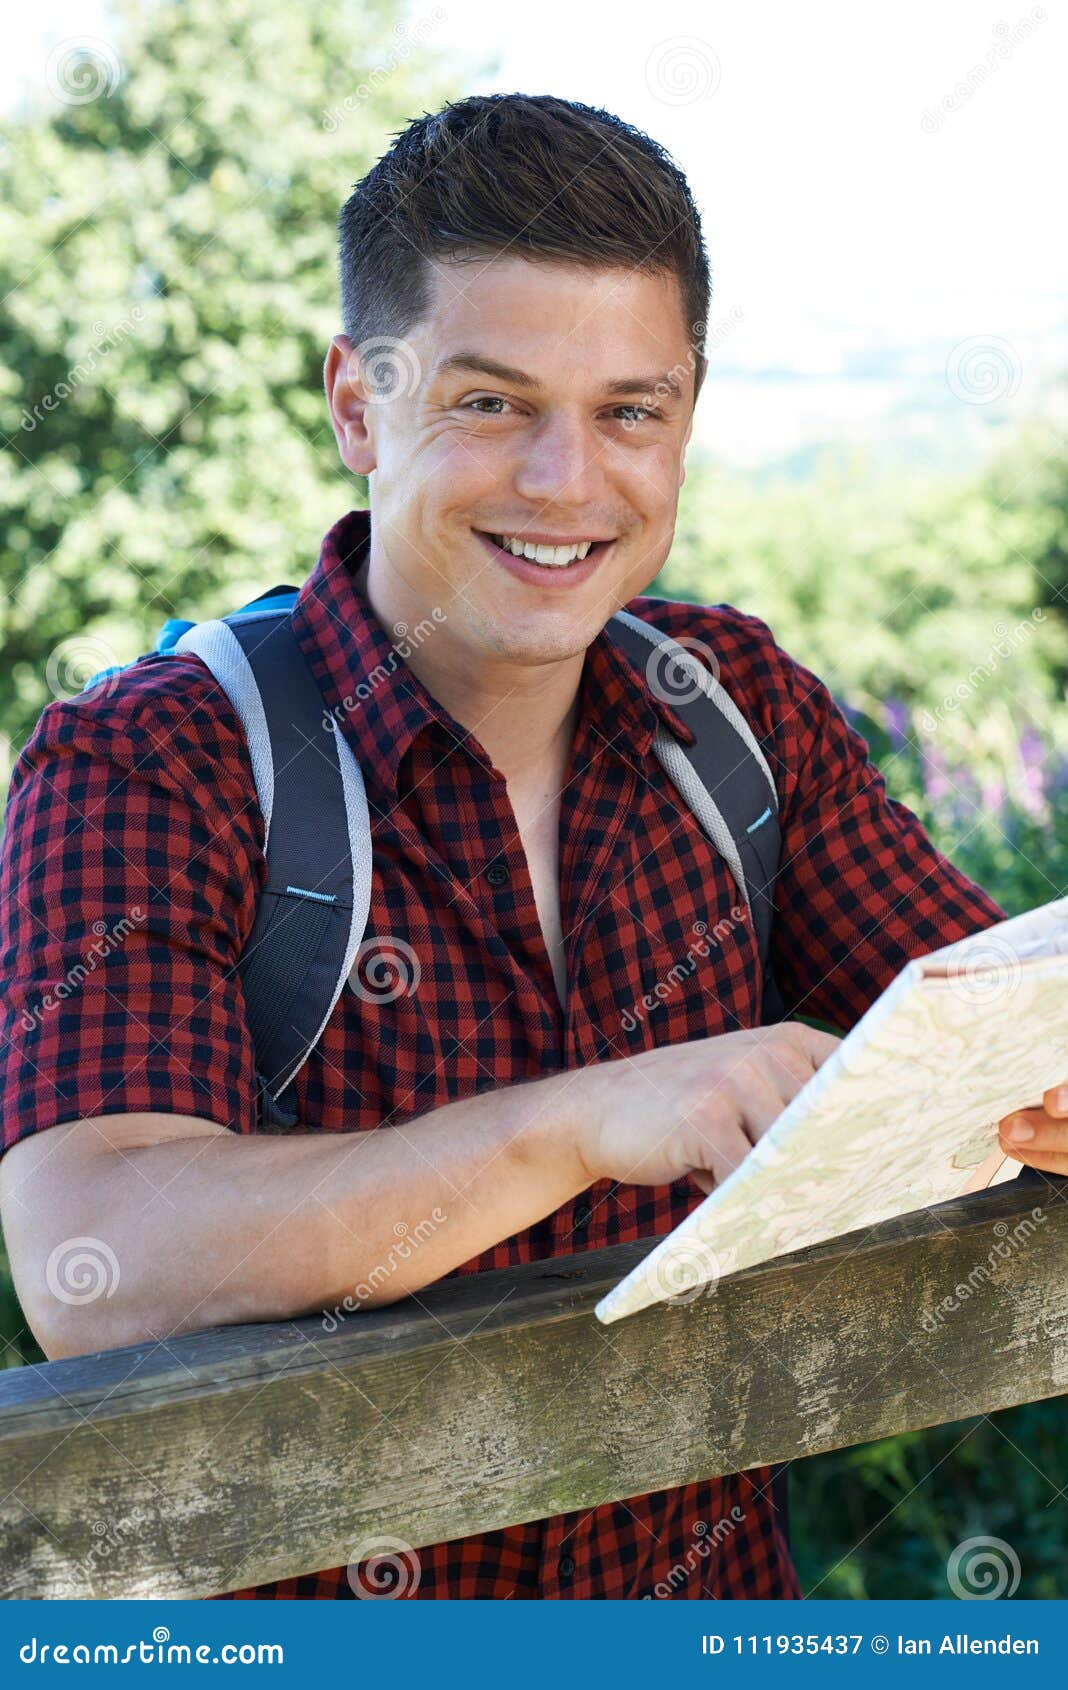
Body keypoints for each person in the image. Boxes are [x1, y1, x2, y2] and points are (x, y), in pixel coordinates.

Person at [1, 92, 1064, 1602]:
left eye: (630, 410)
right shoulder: (155, 760)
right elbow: (93, 1262)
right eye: (492, 402)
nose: (569, 482)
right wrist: (579, 1121)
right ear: (359, 404)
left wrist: (1040, 1088)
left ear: (687, 413)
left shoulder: (731, 709)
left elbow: (991, 1018)